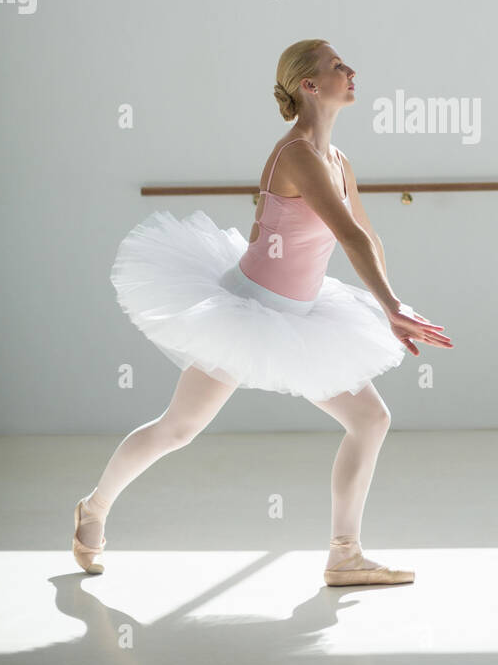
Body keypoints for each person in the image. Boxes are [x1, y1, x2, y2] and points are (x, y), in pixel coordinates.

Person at [72, 38, 452, 587]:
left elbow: (367, 234)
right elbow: (346, 236)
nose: (351, 70)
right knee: (178, 429)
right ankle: (94, 508)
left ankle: (344, 554)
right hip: (247, 311)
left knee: (370, 420)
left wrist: (386, 303)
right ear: (309, 86)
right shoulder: (295, 154)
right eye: (336, 65)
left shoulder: (339, 160)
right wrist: (391, 308)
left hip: (303, 317)